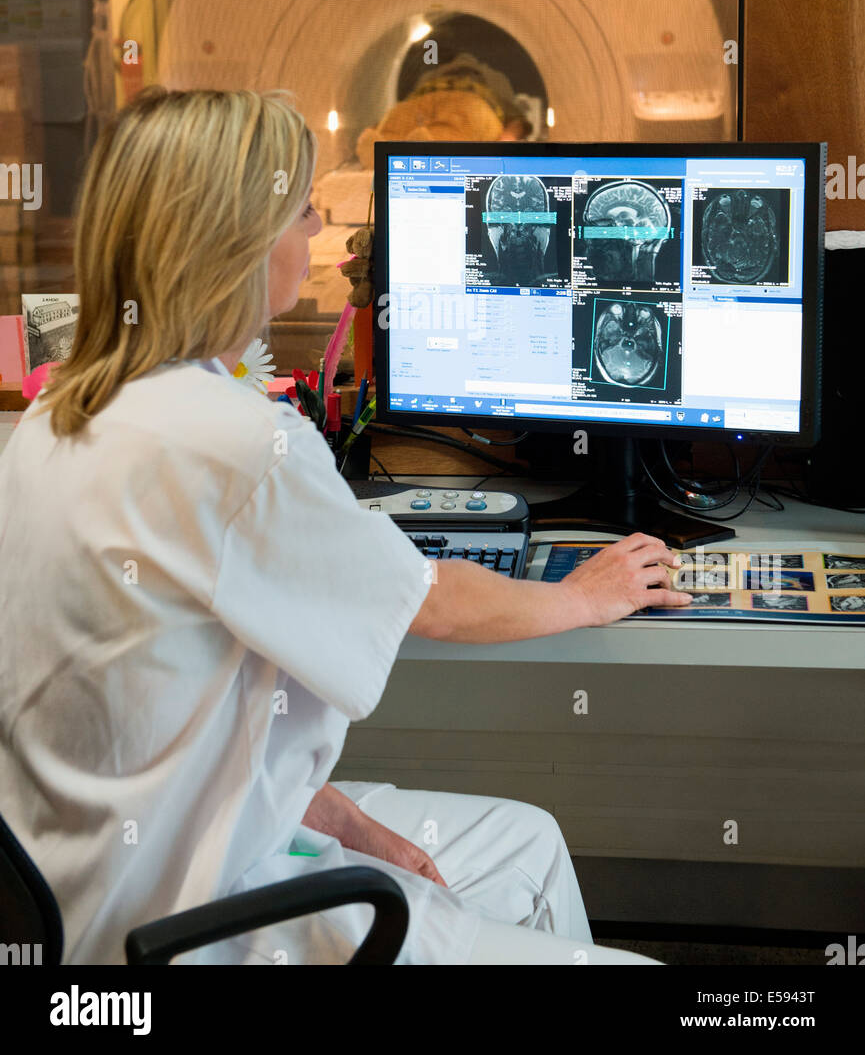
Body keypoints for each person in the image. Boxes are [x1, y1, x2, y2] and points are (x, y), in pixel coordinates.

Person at [0, 87, 690, 966]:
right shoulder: (235, 442)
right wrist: (585, 597)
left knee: (530, 845)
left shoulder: (57, 414)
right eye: (299, 209)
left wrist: (340, 814)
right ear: (234, 241)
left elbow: (174, 724)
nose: (318, 226)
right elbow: (430, 602)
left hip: (115, 875)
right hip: (197, 928)